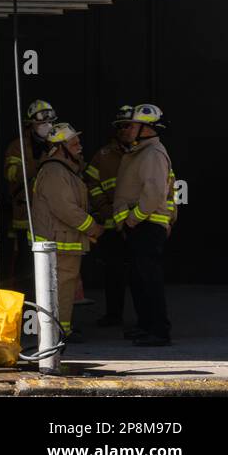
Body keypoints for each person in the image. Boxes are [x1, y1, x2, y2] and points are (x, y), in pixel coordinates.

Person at [30, 122, 103, 342]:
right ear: (60, 147)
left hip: (63, 239)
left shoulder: (63, 169)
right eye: (74, 143)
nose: (79, 147)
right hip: (58, 241)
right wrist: (92, 227)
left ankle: (61, 331)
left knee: (63, 287)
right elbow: (65, 208)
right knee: (60, 287)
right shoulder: (54, 171)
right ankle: (58, 334)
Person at [114, 104, 177, 347]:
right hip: (140, 226)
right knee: (139, 279)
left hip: (147, 226)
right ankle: (145, 325)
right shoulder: (140, 151)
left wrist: (132, 220)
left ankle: (159, 331)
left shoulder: (153, 154)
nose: (127, 130)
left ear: (147, 128)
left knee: (150, 279)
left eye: (131, 125)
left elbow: (153, 195)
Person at [84, 105, 132, 327]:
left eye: (129, 125)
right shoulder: (103, 156)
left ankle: (145, 320)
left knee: (142, 272)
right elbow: (91, 184)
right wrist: (103, 208)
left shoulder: (145, 153)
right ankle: (114, 315)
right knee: (113, 273)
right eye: (121, 126)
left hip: (138, 223)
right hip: (112, 226)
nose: (125, 130)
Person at [4, 100, 57, 292]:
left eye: (50, 122)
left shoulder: (57, 143)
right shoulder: (17, 146)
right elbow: (11, 174)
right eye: (42, 123)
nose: (47, 127)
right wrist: (37, 164)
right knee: (26, 261)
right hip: (25, 214)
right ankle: (25, 297)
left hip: (50, 214)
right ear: (30, 124)